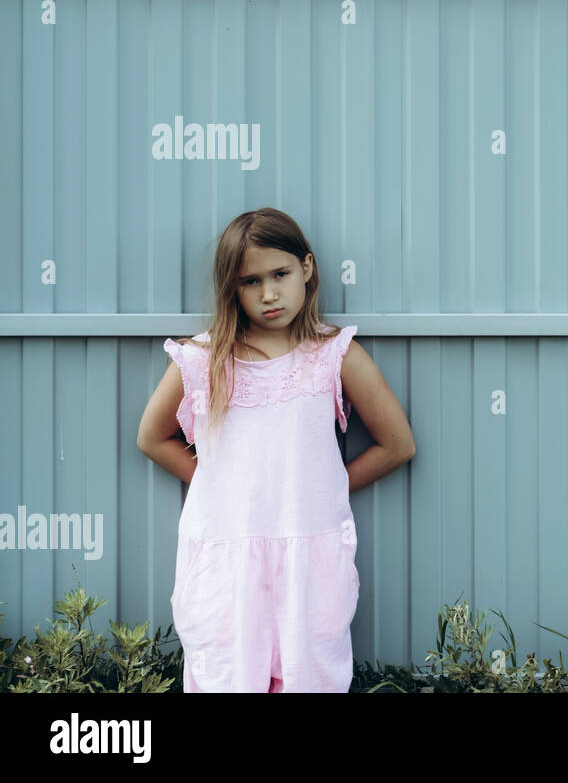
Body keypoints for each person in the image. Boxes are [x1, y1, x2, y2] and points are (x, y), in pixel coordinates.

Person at [136, 208, 415, 692]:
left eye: (280, 274)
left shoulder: (333, 355)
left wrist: (325, 486)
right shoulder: (204, 360)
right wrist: (216, 483)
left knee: (310, 677)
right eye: (250, 282)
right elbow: (151, 438)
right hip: (226, 559)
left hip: (309, 556)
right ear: (233, 289)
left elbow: (397, 445)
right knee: (226, 676)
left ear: (306, 268)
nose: (268, 294)